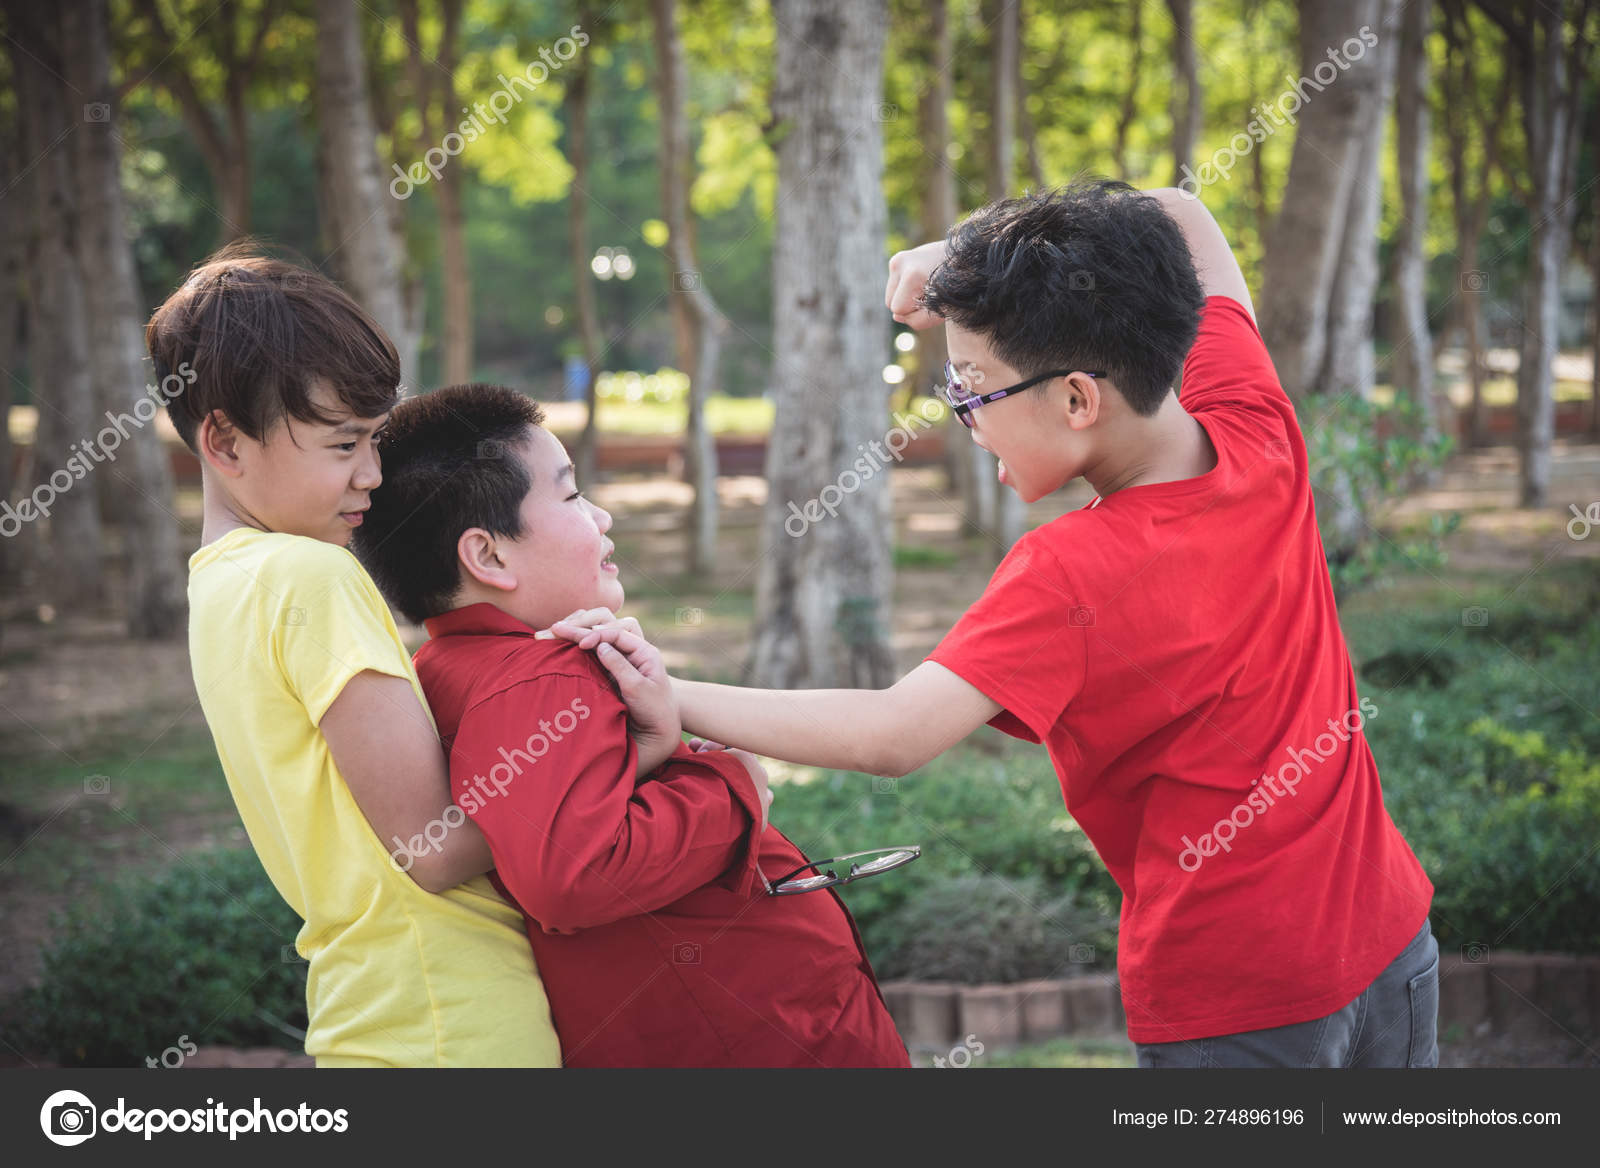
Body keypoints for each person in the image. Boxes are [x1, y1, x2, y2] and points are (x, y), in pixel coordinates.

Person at [552, 179, 1440, 1069]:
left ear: (1079, 400)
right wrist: (969, 259)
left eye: (971, 388)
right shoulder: (1255, 429)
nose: (962, 418)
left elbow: (894, 734)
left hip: (1236, 999)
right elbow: (1181, 212)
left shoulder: (1071, 571)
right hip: (1393, 942)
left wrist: (662, 687)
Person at [350, 382, 911, 1068]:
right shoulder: (542, 676)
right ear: (488, 556)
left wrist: (655, 744)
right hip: (761, 1039)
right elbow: (572, 872)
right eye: (570, 495)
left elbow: (558, 816)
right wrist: (730, 787)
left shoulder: (452, 667)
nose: (603, 515)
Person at [154, 245, 560, 1067]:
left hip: (380, 1015)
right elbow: (435, 848)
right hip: (454, 1022)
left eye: (375, 440)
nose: (372, 474)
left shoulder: (222, 587)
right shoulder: (310, 575)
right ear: (224, 442)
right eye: (343, 446)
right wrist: (608, 759)